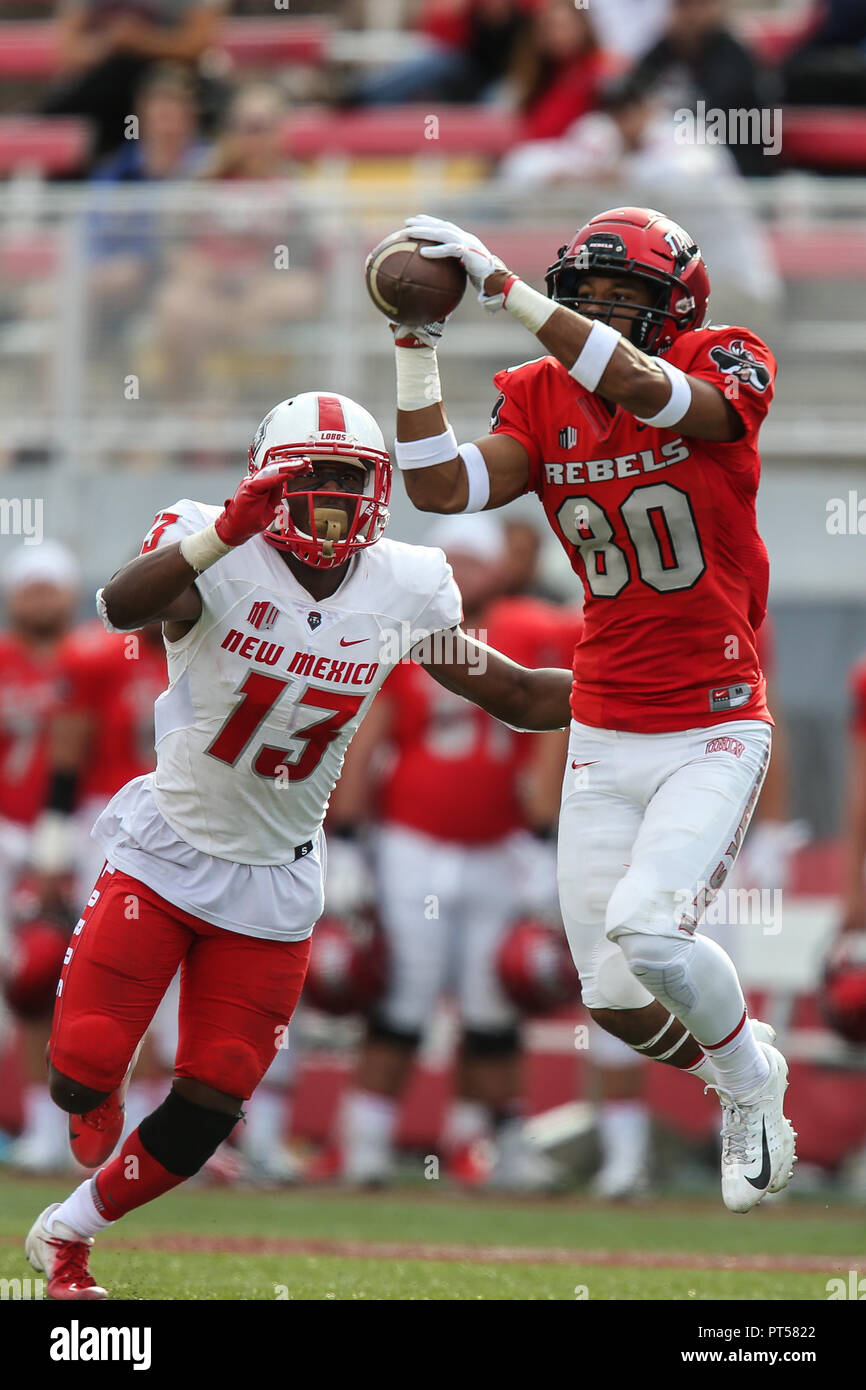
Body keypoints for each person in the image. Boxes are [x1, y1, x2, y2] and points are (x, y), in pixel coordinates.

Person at [24, 390, 572, 1299]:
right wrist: (220, 537)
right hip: (169, 849)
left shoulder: (406, 582)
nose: (328, 494)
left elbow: (514, 696)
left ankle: (69, 1235)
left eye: (348, 476)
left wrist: (633, 693)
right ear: (265, 479)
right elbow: (123, 607)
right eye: (308, 473)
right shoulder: (210, 539)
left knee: (216, 1094)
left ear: (380, 486)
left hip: (276, 877)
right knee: (80, 1073)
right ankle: (99, 1088)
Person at [383, 204, 796, 1215]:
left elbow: (652, 393)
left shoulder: (725, 357)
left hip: (710, 716)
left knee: (650, 934)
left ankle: (750, 1082)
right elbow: (439, 487)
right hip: (604, 724)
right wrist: (413, 346)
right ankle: (734, 1057)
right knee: (613, 999)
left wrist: (503, 291)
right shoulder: (538, 391)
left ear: (679, 305)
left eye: (627, 298)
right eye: (590, 295)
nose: (605, 313)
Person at [318, 512, 580, 1189]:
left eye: (475, 559)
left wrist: (541, 839)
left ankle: (500, 1147)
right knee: (402, 992)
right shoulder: (400, 632)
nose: (463, 572)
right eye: (451, 559)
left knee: (494, 998)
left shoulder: (534, 627)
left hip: (498, 846)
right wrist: (344, 839)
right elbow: (364, 739)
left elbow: (555, 739)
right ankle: (366, 1140)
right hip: (412, 843)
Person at [0, 543, 81, 1176]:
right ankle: (31, 1125)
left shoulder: (91, 660)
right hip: (6, 830)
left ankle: (65, 1127)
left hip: (74, 832)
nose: (41, 599)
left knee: (64, 980)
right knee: (23, 980)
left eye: (50, 587)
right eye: (31, 587)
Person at [41, 0, 225, 161]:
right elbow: (69, 51)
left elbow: (197, 44)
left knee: (159, 91)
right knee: (113, 82)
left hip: (169, 77)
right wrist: (112, 43)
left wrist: (139, 40)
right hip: (106, 89)